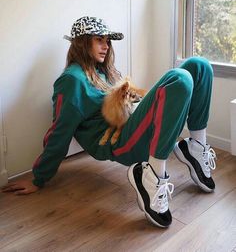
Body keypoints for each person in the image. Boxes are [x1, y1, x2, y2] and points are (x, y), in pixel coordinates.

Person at [2, 16, 217, 228]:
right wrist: (38, 178)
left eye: (108, 41)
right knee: (180, 78)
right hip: (122, 143)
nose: (106, 46)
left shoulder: (102, 72)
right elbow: (59, 131)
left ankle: (196, 147)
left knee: (200, 65)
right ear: (82, 42)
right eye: (99, 40)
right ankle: (152, 177)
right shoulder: (71, 81)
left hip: (132, 128)